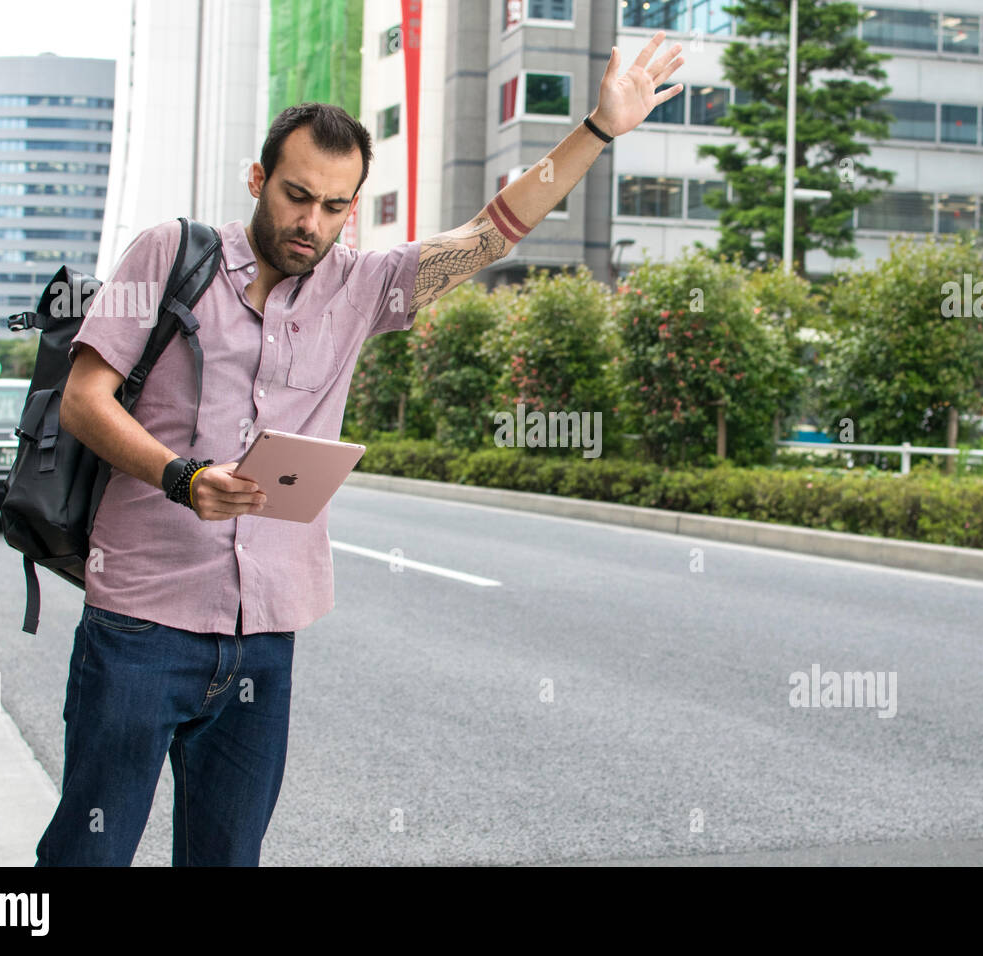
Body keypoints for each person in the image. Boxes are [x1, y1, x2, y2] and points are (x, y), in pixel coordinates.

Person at [35, 31, 685, 866]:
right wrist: (180, 475)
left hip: (264, 634)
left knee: (227, 855)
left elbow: (493, 233)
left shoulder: (362, 285)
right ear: (258, 179)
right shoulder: (170, 253)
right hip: (140, 621)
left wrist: (595, 130)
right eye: (297, 196)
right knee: (88, 852)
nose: (312, 225)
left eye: (336, 207)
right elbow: (86, 400)